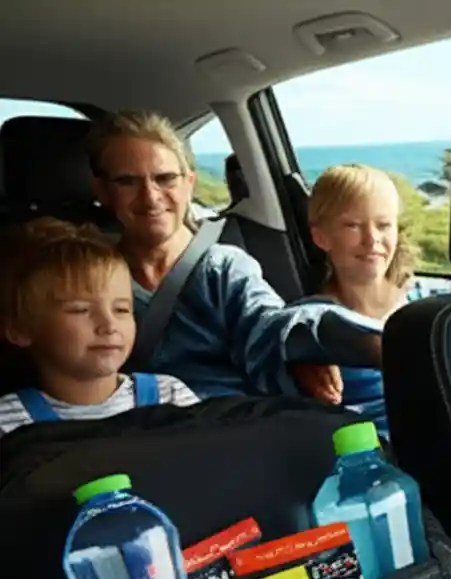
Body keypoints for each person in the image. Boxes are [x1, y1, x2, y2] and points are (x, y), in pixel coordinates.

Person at [85, 110, 381, 400]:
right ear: (102, 190)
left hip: (228, 430)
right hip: (134, 436)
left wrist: (308, 349)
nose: (150, 197)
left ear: (189, 184)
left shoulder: (222, 267)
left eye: (165, 179)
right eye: (128, 181)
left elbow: (268, 326)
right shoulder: (86, 276)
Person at [0, 220, 199, 438]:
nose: (109, 325)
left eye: (122, 310)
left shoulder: (170, 398)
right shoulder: (10, 423)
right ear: (19, 330)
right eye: (80, 310)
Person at [294, 164, 435, 435]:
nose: (372, 240)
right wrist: (302, 360)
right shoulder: (311, 322)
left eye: (384, 225)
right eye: (352, 226)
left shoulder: (426, 301)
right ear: (320, 237)